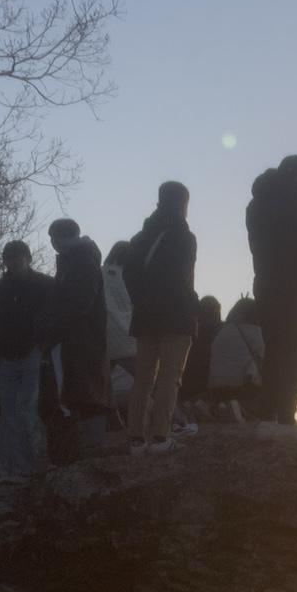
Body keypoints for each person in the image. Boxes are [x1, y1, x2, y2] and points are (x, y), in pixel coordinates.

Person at [245, 154, 297, 439]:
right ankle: (286, 419)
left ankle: (270, 415)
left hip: (265, 281)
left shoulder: (255, 204)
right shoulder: (292, 197)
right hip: (294, 283)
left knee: (275, 348)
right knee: (296, 350)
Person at [121, 181, 199, 453]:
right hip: (175, 316)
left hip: (144, 316)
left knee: (143, 378)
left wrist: (143, 301)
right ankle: (160, 437)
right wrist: (192, 308)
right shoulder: (184, 237)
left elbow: (128, 276)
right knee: (169, 376)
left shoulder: (139, 239)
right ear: (183, 204)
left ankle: (135, 439)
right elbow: (183, 280)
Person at [0, 240, 55, 482]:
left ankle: (31, 465)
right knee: (10, 413)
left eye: (18, 257)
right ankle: (13, 467)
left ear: (27, 258)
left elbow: (53, 317)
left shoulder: (44, 285)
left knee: (26, 409)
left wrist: (44, 345)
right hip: (7, 356)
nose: (14, 262)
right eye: (10, 258)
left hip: (34, 353)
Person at [47, 217, 109, 459]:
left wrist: (54, 325)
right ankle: (87, 449)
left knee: (84, 392)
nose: (52, 244)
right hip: (81, 336)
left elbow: (79, 302)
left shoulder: (80, 261)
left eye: (53, 238)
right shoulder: (80, 258)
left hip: (81, 337)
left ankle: (89, 450)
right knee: (84, 391)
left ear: (60, 238)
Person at [209, 296, 265, 420]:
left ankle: (221, 407)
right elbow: (265, 359)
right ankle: (242, 408)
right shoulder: (256, 332)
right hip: (243, 388)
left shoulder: (221, 332)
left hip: (216, 388)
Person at [102, 239, 136, 424]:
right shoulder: (131, 275)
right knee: (147, 380)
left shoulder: (99, 273)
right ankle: (172, 418)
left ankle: (112, 419)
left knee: (105, 384)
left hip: (104, 336)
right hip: (128, 335)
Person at [178, 295, 224, 422]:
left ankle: (189, 407)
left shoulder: (189, 332)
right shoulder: (223, 331)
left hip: (185, 387)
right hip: (210, 386)